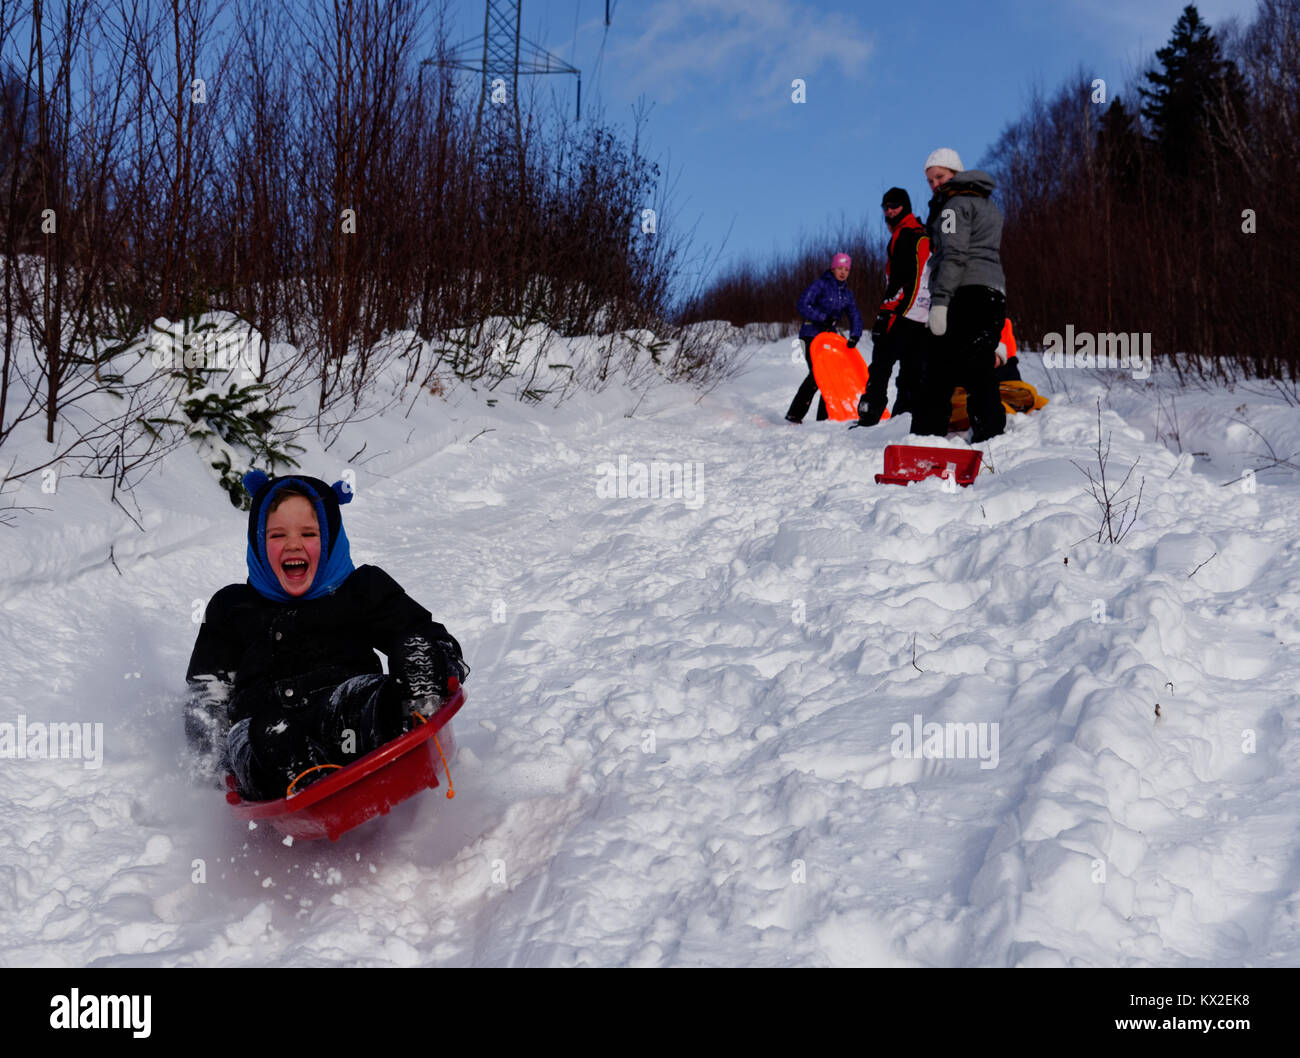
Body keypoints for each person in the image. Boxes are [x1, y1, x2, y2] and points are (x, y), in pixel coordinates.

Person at [183, 470, 469, 801]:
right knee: (260, 735)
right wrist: (214, 760)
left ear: (331, 538)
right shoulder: (231, 607)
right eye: (277, 536)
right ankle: (299, 776)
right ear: (258, 543)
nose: (293, 544)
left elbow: (417, 631)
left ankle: (416, 706)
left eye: (309, 533)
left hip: (347, 722)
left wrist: (431, 657)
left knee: (366, 696)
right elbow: (206, 693)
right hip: (264, 736)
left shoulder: (360, 590)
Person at [912, 148, 1008, 442]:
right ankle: (990, 435)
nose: (935, 185)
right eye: (929, 181)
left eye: (939, 177)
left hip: (964, 292)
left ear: (955, 174)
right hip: (993, 292)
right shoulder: (988, 205)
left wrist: (940, 301)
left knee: (938, 366)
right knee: (979, 365)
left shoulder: (953, 207)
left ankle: (926, 437)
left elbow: (953, 254)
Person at [857, 187, 931, 426]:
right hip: (922, 317)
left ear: (905, 207)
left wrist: (887, 311)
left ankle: (869, 417)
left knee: (880, 366)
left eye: (894, 206)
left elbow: (902, 278)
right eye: (885, 207)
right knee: (911, 371)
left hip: (902, 312)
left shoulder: (905, 234)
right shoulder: (923, 233)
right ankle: (904, 418)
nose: (889, 212)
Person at [785, 252, 864, 423]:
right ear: (833, 268)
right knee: (817, 375)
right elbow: (803, 305)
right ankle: (795, 415)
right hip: (810, 334)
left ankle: (825, 417)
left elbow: (855, 315)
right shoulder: (820, 285)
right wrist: (823, 318)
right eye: (839, 268)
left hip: (829, 339)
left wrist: (855, 335)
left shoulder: (847, 294)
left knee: (831, 377)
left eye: (846, 269)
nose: (843, 272)